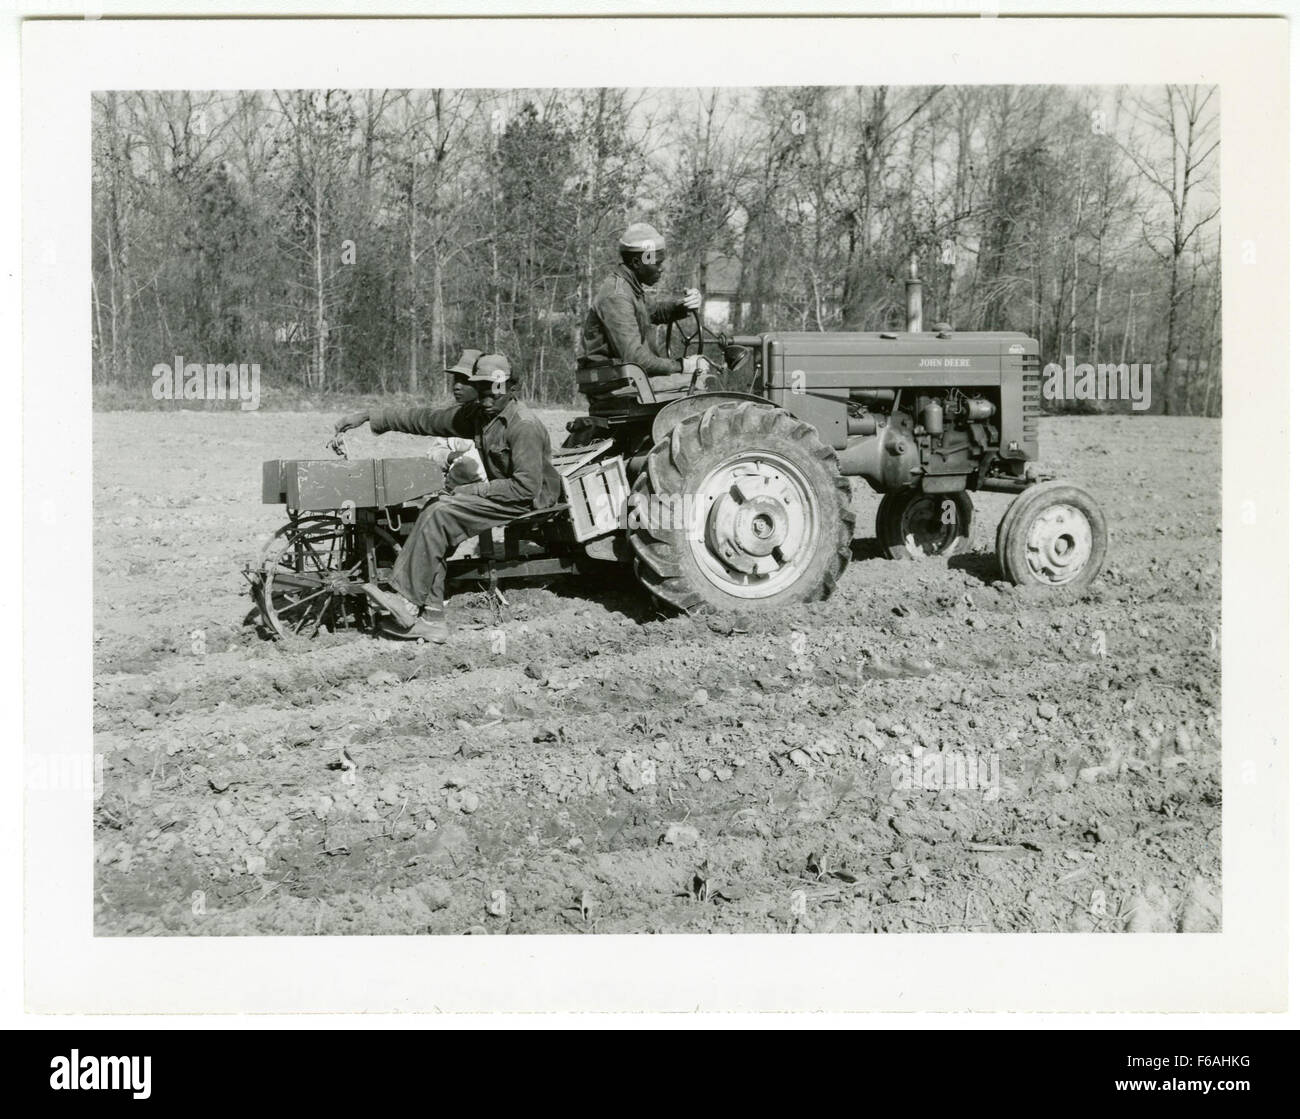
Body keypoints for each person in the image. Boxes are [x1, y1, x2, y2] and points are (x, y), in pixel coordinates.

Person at [333, 354, 561, 643]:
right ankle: (432, 619)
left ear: (510, 389)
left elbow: (526, 487)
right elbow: (426, 419)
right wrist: (369, 415)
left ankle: (404, 600)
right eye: (481, 389)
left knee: (441, 513)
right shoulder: (480, 414)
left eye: (495, 390)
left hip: (528, 499)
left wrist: (471, 491)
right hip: (504, 493)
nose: (487, 398)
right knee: (433, 510)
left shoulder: (523, 425)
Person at [577, 222, 711, 393]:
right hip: (612, 382)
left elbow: (656, 311)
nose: (661, 269)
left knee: (700, 381)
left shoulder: (630, 288)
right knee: (703, 383)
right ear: (636, 262)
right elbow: (634, 358)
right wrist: (681, 365)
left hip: (626, 378)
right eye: (657, 263)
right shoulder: (617, 296)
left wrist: (685, 305)